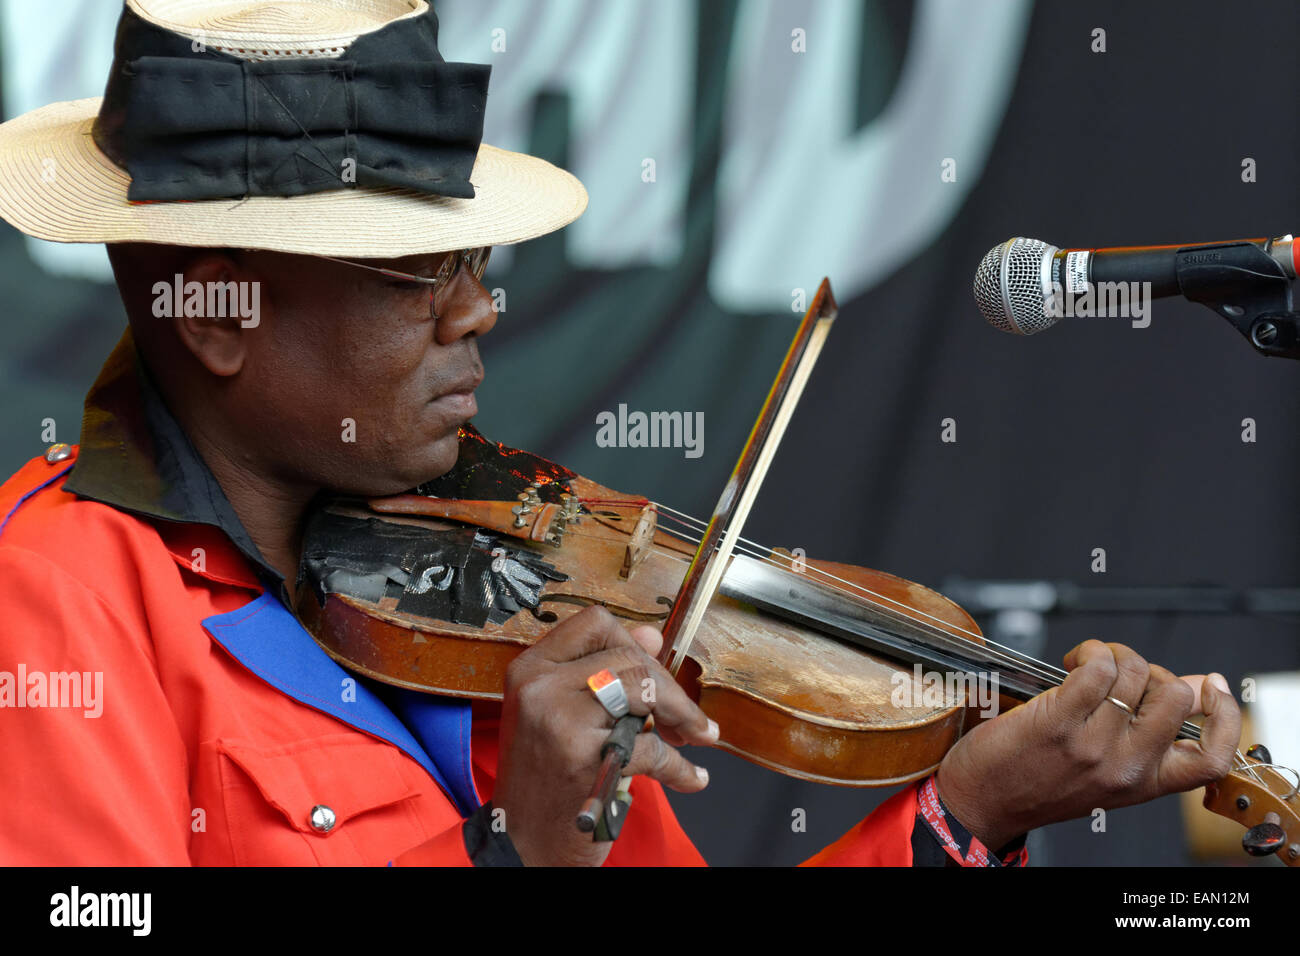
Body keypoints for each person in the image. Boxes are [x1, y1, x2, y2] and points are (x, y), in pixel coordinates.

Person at [0, 0, 1240, 867]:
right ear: (219, 312)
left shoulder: (492, 610)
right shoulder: (53, 600)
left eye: (474, 259)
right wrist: (516, 846)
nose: (479, 307)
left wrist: (967, 811)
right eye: (417, 271)